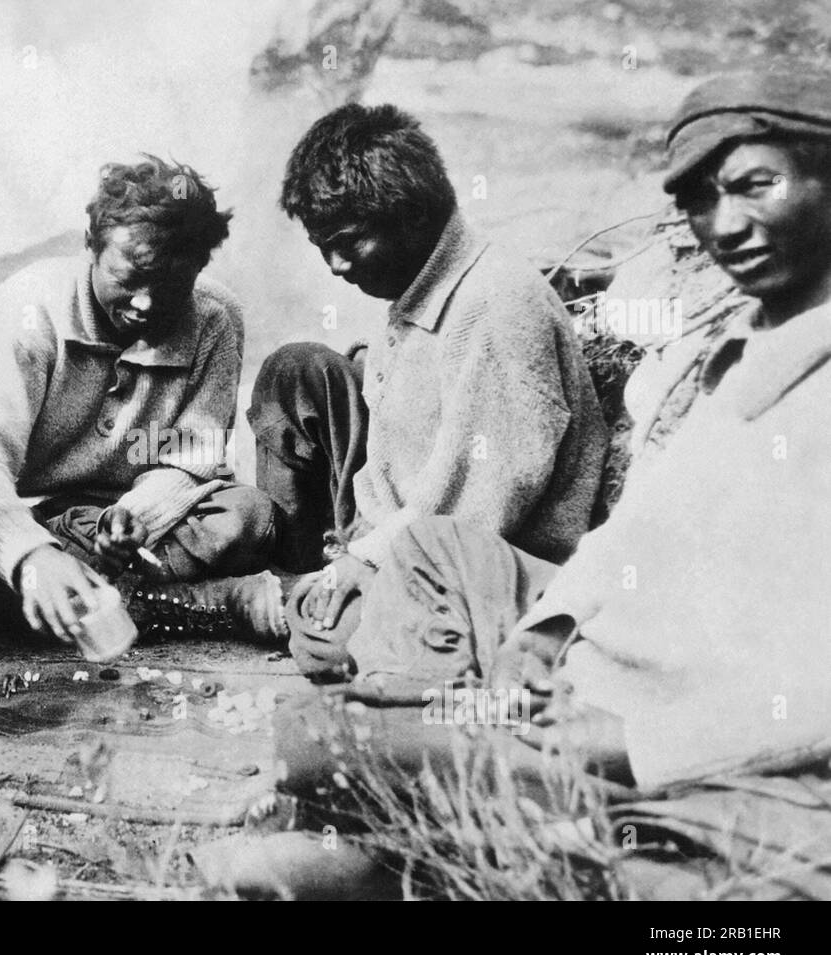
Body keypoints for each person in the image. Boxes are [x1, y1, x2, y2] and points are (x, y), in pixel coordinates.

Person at [269, 67, 831, 898]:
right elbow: (637, 530)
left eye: (755, 185)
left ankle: (508, 842)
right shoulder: (737, 351)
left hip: (682, 737)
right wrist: (544, 631)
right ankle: (464, 829)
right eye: (700, 202)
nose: (726, 225)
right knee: (314, 749)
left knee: (313, 746)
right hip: (597, 682)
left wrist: (630, 740)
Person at [248, 104, 608, 679]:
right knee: (295, 371)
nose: (336, 266)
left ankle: (284, 606)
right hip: (398, 524)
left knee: (332, 644)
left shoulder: (496, 305)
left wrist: (363, 562)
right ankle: (294, 588)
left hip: (481, 559)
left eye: (347, 242)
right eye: (322, 247)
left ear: (410, 216)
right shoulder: (418, 284)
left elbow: (481, 506)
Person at [0, 156, 284, 649]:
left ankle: (29, 611)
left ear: (198, 267)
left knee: (248, 514)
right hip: (39, 515)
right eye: (128, 279)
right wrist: (31, 552)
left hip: (147, 532)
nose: (145, 304)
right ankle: (193, 604)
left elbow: (192, 461)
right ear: (91, 245)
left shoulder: (215, 319)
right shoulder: (29, 308)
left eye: (169, 286)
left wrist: (134, 520)